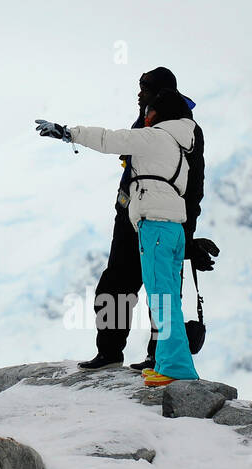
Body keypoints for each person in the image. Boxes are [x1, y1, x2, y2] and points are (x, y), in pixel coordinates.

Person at [36, 88, 201, 387]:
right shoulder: (181, 144)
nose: (145, 115)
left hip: (156, 229)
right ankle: (165, 361)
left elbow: (110, 139)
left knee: (161, 299)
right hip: (173, 228)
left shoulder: (156, 138)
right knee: (165, 299)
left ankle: (175, 366)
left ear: (158, 113)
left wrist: (68, 133)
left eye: (149, 110)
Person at [75, 68, 207, 373]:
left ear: (160, 93)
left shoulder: (184, 131)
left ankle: (157, 356)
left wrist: (187, 234)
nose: (139, 93)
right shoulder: (147, 120)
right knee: (115, 284)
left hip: (162, 219)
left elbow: (193, 185)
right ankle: (108, 352)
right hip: (129, 215)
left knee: (161, 289)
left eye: (144, 88)